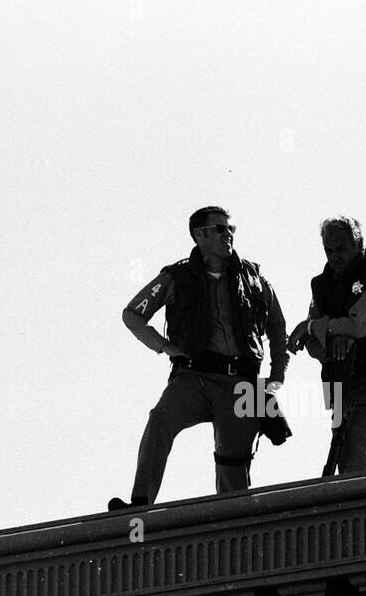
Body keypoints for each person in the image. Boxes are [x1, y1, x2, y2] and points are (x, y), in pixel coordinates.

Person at [111, 206, 288, 509]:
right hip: (194, 377)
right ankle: (139, 505)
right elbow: (132, 314)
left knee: (232, 464)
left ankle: (234, 528)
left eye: (231, 229)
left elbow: (277, 325)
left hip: (241, 382)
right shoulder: (175, 276)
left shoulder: (254, 276)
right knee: (160, 420)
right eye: (220, 229)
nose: (228, 235)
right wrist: (164, 346)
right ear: (199, 235)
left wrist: (276, 375)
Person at [288, 216, 366, 474]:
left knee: (354, 440)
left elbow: (359, 324)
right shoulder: (322, 285)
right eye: (328, 250)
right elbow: (311, 346)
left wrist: (317, 328)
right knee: (342, 449)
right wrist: (334, 342)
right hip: (339, 383)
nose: (335, 256)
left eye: (342, 248)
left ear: (359, 243)